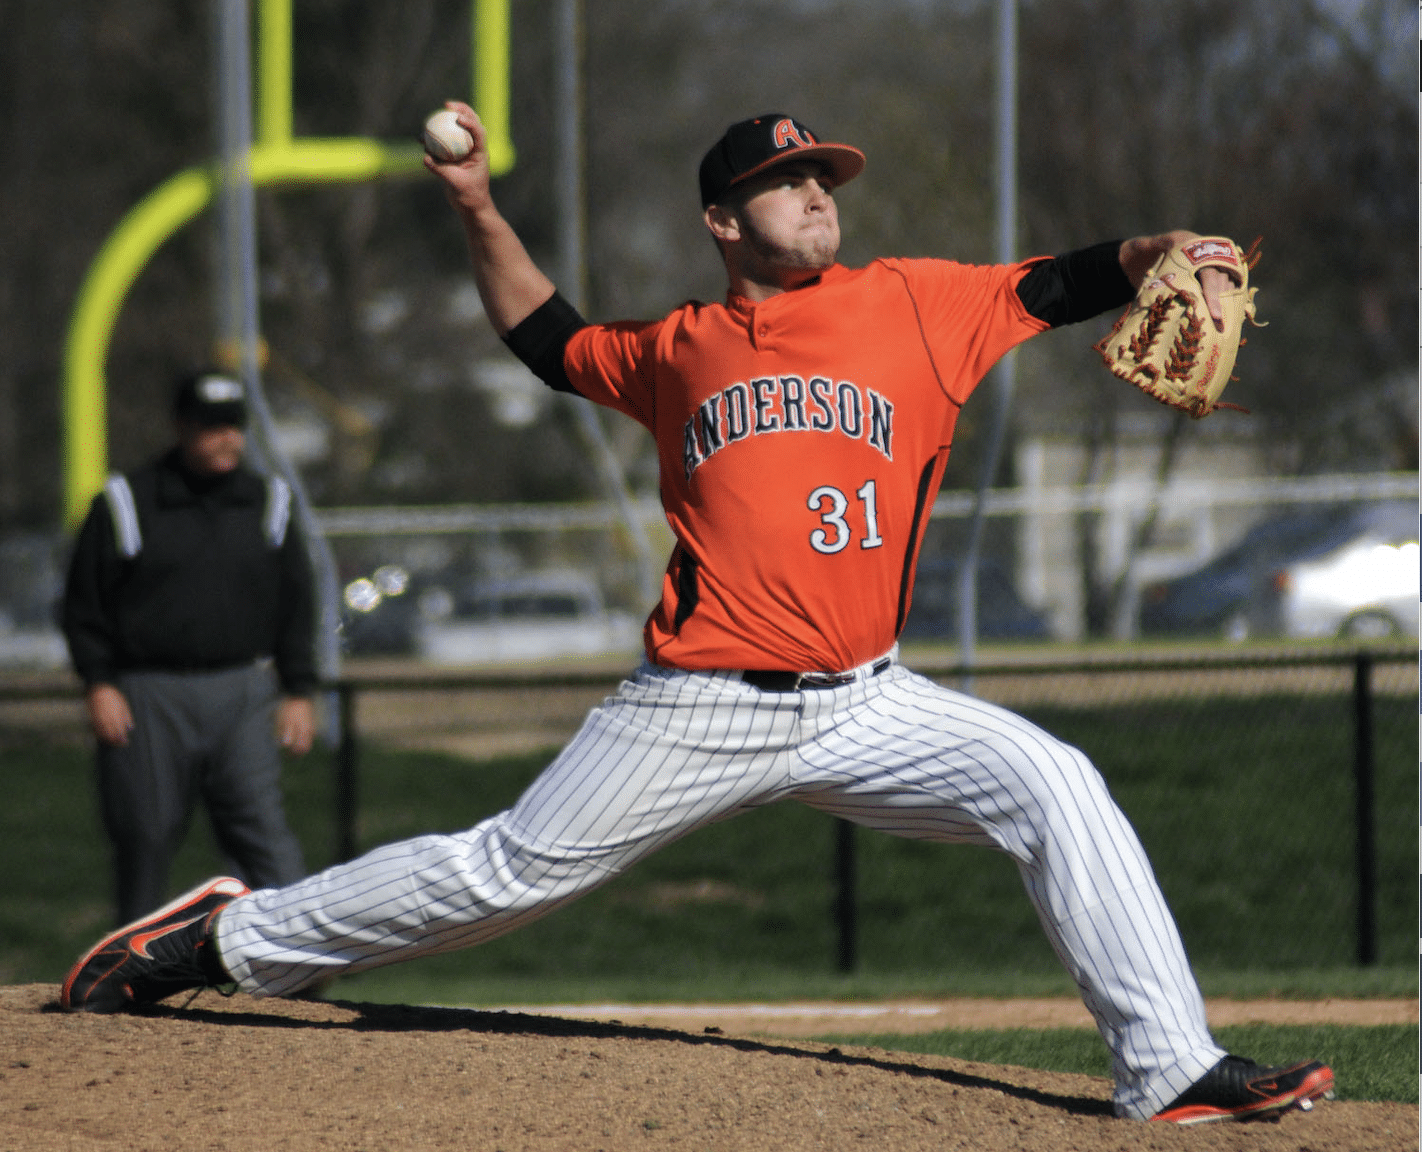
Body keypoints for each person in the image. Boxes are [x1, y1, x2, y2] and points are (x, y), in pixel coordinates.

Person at [60, 108, 1332, 1125]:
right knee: (499, 878)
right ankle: (225, 941)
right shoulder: (679, 348)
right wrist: (478, 209)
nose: (818, 193)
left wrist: (1158, 250)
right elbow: (545, 339)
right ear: (724, 219)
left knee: (1054, 783)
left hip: (871, 698)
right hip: (699, 703)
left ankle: (1170, 1068)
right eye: (787, 181)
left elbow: (1063, 281)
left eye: (825, 175)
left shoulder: (914, 302)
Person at [61, 370, 317, 925]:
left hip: (243, 687)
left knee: (261, 831)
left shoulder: (267, 500)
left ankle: (299, 964)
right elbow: (84, 605)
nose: (227, 438)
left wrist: (299, 688)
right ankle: (128, 972)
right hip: (148, 691)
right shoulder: (128, 501)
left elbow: (298, 602)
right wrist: (99, 682)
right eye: (210, 427)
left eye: (234, 426)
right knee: (146, 833)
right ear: (181, 428)